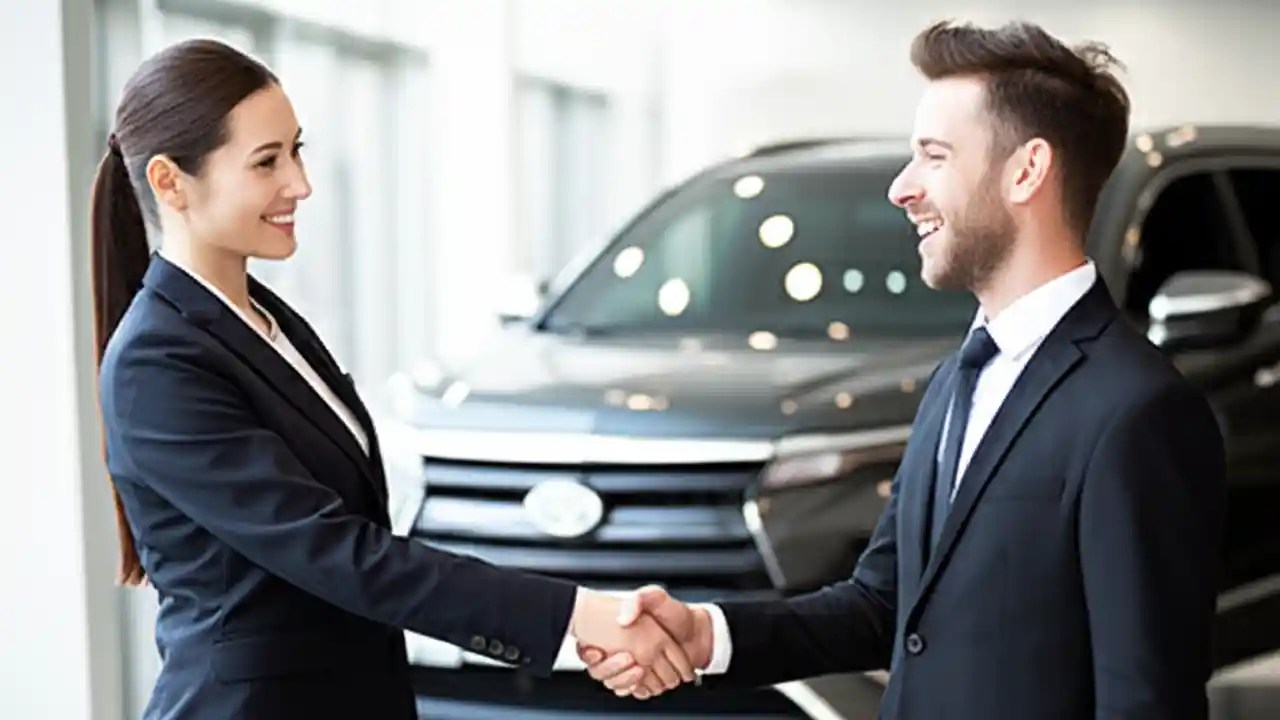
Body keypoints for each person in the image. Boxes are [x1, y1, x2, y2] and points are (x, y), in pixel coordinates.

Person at [581, 19, 1227, 720]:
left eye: (934, 156)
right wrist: (710, 634)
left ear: (1027, 170)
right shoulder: (959, 378)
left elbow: (1146, 701)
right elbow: (884, 605)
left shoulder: (1137, 409)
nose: (903, 187)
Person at [92, 39, 693, 720]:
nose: (300, 184)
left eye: (297, 150)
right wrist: (576, 616)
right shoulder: (158, 362)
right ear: (171, 183)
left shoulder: (264, 320)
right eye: (267, 162)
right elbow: (335, 551)